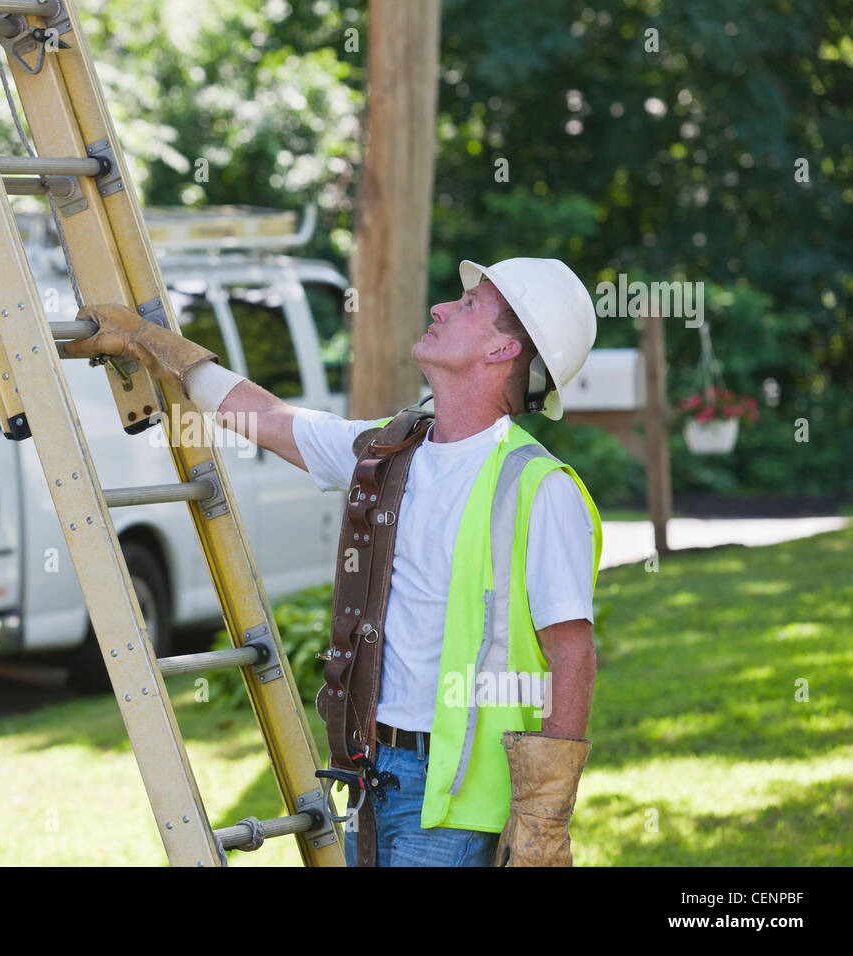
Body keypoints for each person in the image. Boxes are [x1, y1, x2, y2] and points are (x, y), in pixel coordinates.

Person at [66, 257, 602, 867]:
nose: (441, 307)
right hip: (373, 772)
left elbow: (571, 653)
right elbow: (266, 419)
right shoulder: (387, 452)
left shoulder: (537, 486)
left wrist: (543, 816)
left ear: (503, 348)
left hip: (456, 802)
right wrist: (154, 344)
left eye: (470, 304)